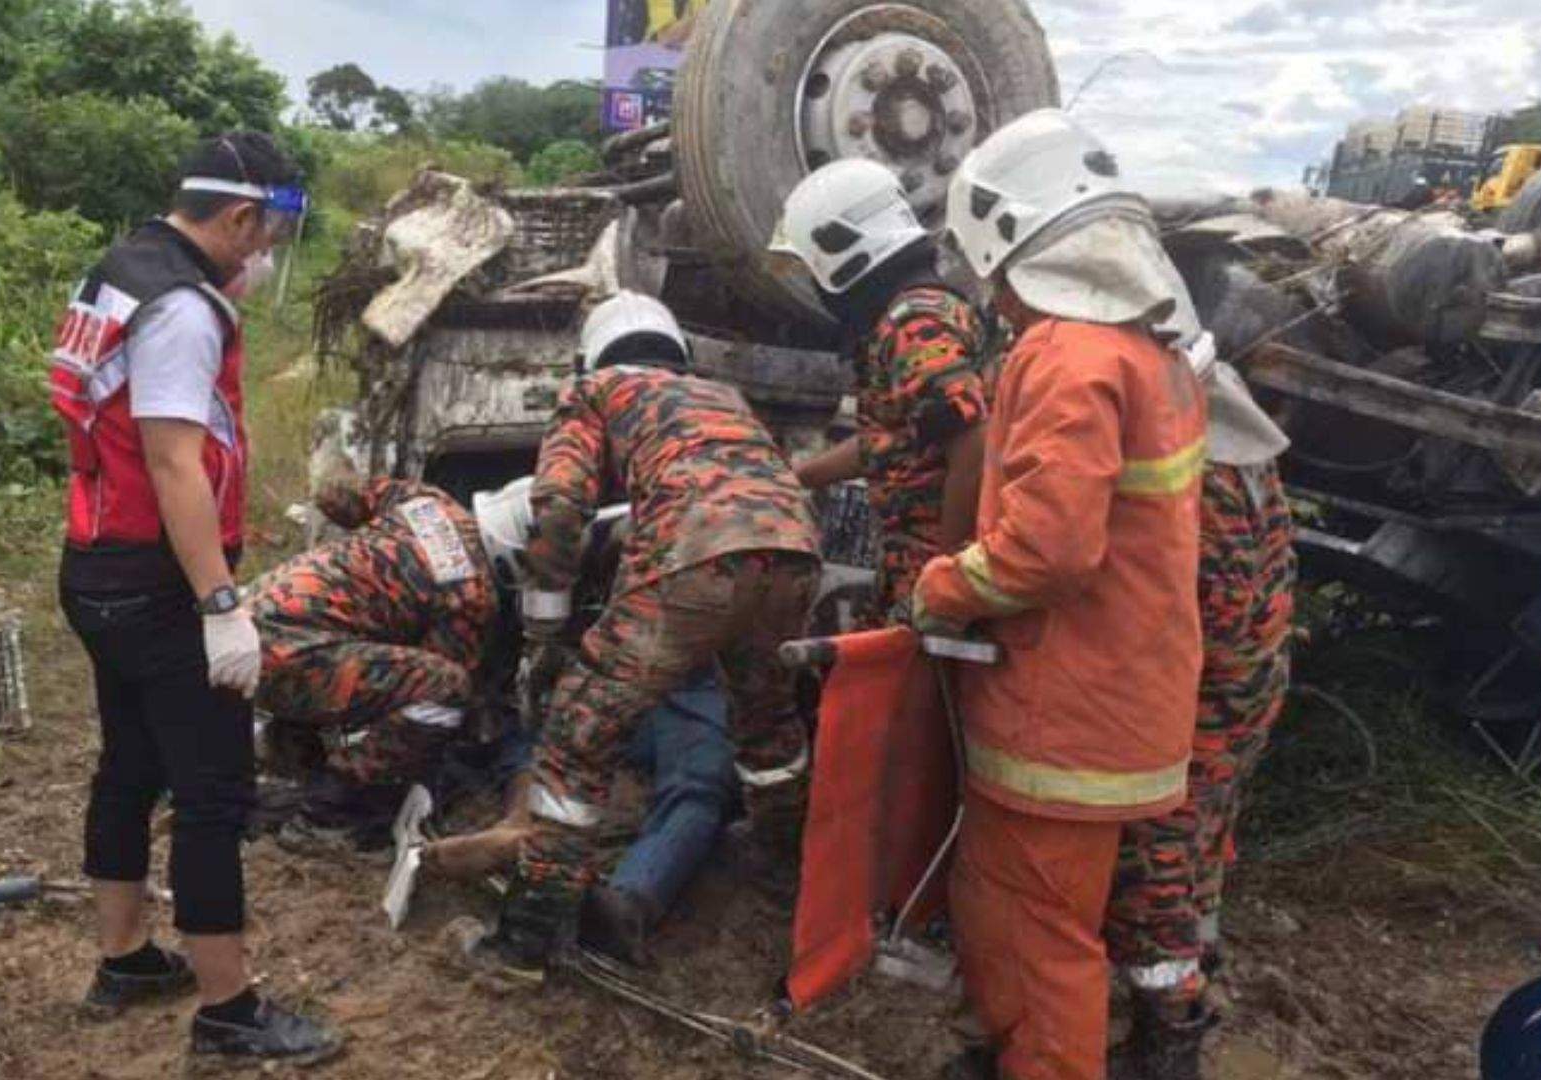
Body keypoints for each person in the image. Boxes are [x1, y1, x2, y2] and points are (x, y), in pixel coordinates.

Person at [912, 109, 1208, 1080]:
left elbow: (1048, 553)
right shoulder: (1151, 354)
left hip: (1062, 721)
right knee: (1025, 911)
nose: (988, 296)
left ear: (1009, 242)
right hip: (1126, 700)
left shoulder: (1064, 356)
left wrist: (942, 586)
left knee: (1038, 940)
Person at [47, 132, 341, 1066]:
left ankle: (127, 959)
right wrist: (220, 603)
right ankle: (228, 1011)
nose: (266, 255)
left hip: (94, 561)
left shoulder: (125, 268)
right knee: (214, 792)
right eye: (266, 234)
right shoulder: (180, 307)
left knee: (130, 762)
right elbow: (176, 461)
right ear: (240, 215)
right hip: (158, 580)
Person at [459, 291, 822, 984]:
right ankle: (782, 872)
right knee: (769, 728)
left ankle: (525, 943)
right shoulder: (723, 396)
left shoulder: (593, 389)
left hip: (693, 558)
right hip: (793, 552)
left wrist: (547, 617)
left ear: (589, 355)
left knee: (577, 732)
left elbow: (561, 508)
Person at [1102, 324, 1297, 1079]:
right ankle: (1199, 953)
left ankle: (1169, 1036)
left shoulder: (1207, 480)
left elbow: (1199, 615)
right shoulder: (1246, 462)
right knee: (1203, 846)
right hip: (1251, 684)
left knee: (1156, 869)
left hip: (1205, 702)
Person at [772, 159, 992, 616]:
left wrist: (945, 581)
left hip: (930, 562)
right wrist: (800, 479)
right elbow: (896, 437)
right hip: (909, 562)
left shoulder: (914, 325)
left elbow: (972, 441)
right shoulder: (912, 313)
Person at [248, 474, 497, 836]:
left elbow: (332, 493)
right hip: (289, 655)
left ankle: (285, 760)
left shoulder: (427, 500)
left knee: (360, 660)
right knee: (446, 689)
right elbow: (427, 691)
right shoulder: (473, 593)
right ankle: (329, 814)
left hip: (252, 619)